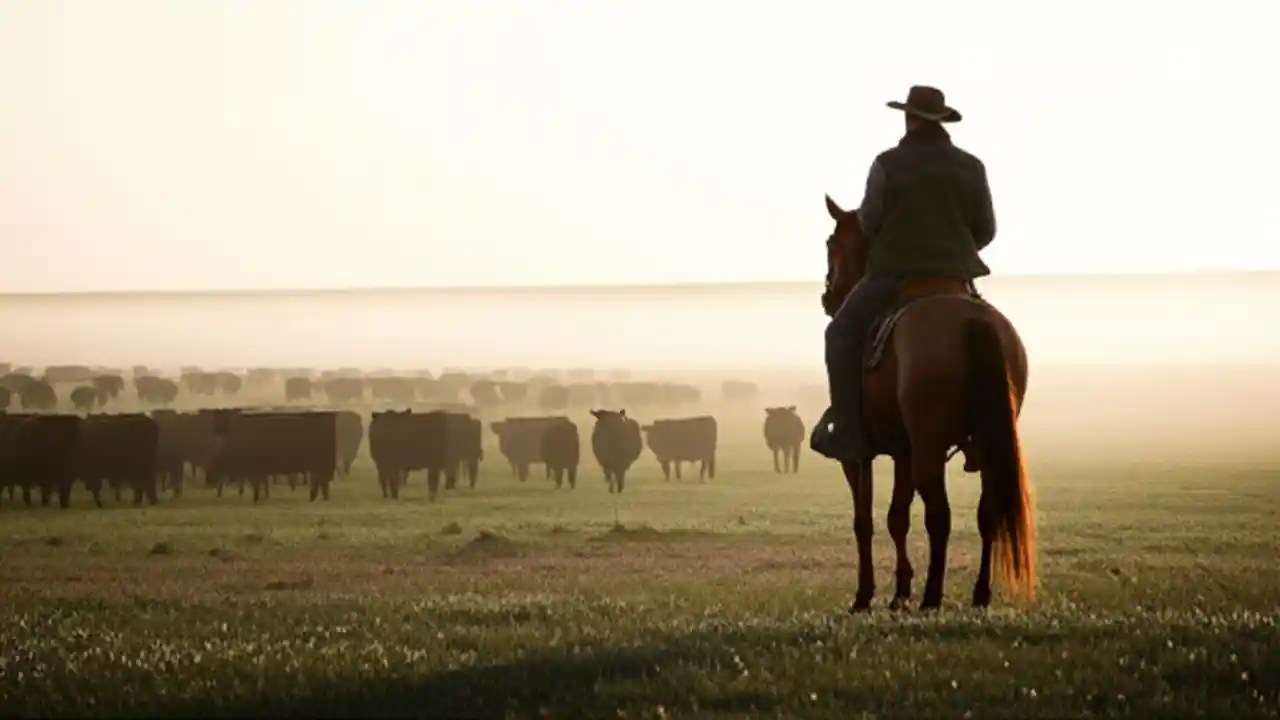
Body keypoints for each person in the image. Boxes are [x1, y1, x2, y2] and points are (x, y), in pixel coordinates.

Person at [812, 85, 997, 462]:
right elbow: (986, 230)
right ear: (943, 121)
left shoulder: (887, 164)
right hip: (956, 277)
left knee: (840, 334)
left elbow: (869, 221)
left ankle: (847, 432)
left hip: (896, 274)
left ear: (908, 118)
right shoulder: (972, 166)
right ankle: (984, 432)